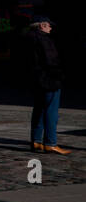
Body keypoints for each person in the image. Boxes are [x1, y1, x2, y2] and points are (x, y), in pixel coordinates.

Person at [26, 16, 69, 154]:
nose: (50, 28)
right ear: (42, 26)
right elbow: (51, 61)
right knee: (51, 111)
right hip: (49, 79)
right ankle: (50, 143)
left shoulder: (28, 38)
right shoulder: (44, 39)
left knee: (39, 109)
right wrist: (59, 75)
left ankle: (36, 141)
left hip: (36, 79)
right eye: (49, 25)